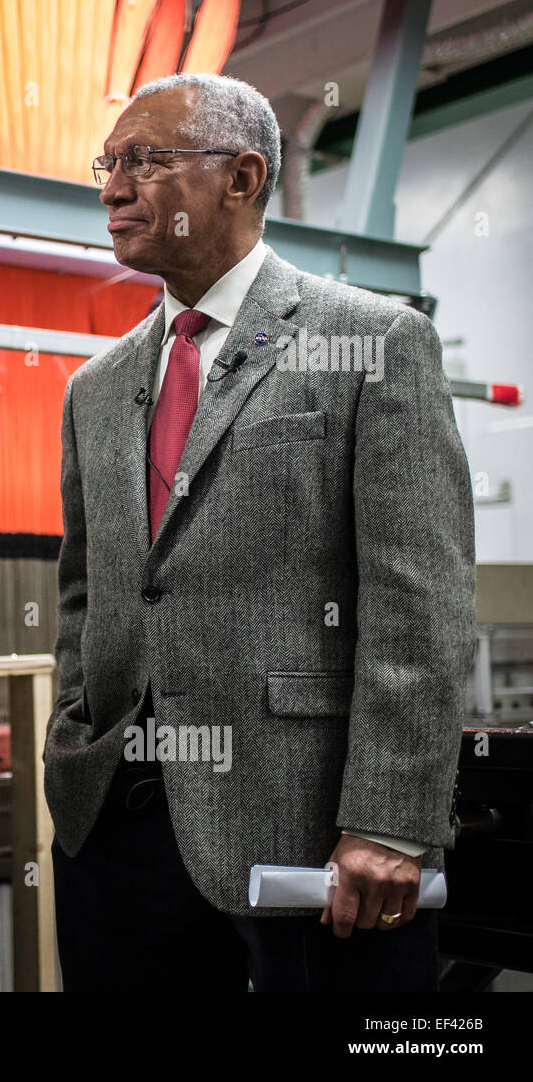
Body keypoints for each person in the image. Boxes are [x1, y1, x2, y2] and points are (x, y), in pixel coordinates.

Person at [44, 73, 474, 991]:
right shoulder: (95, 387)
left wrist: (391, 819)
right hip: (117, 831)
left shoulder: (372, 342)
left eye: (144, 161)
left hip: (312, 831)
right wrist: (73, 736)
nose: (113, 188)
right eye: (107, 164)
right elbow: (87, 591)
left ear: (241, 179)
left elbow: (420, 601)